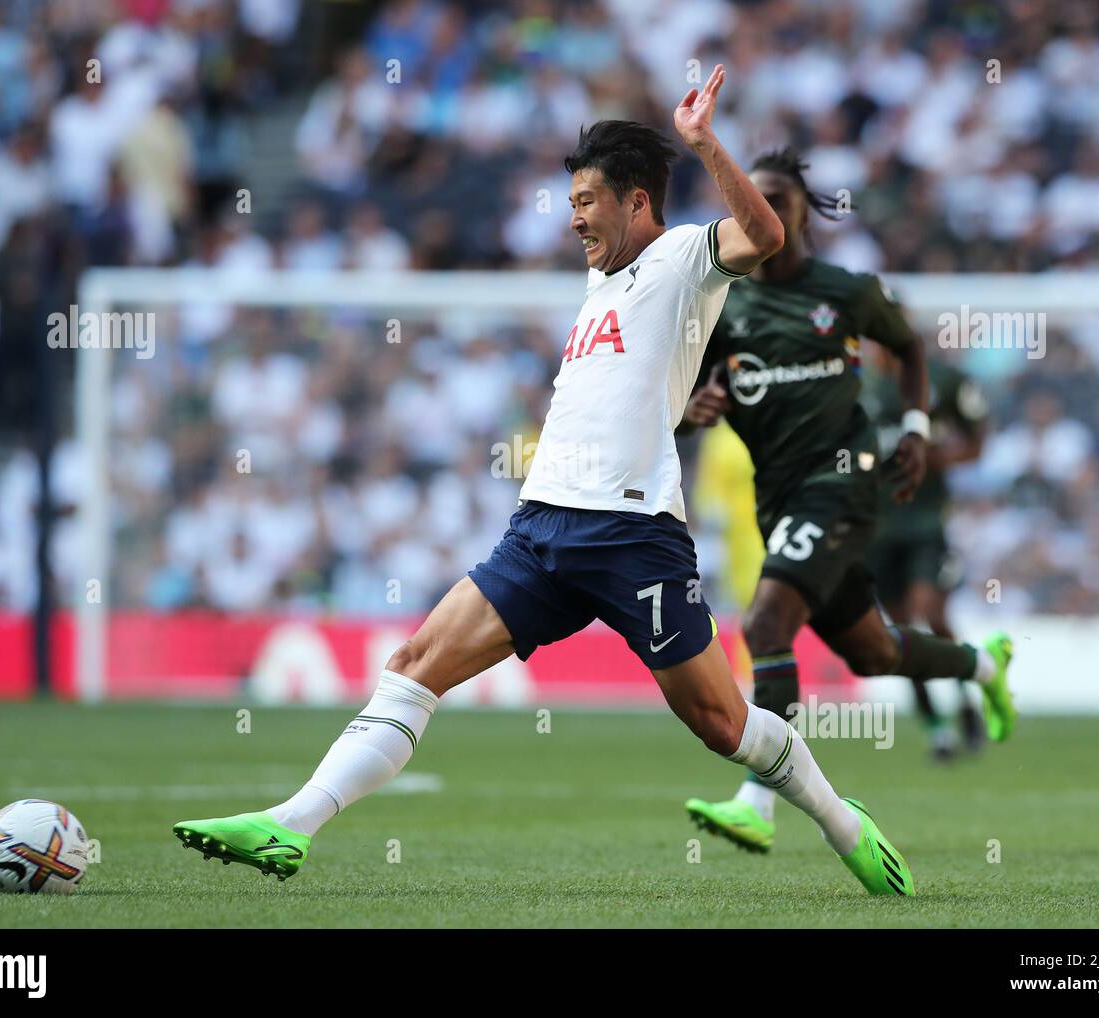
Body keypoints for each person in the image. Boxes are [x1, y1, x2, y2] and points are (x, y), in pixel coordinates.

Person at [175, 68, 916, 896]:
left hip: (634, 536)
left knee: (719, 721)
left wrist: (704, 141)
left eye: (587, 201)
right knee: (416, 661)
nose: (573, 217)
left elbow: (766, 235)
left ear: (637, 202)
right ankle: (292, 824)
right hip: (541, 530)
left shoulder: (682, 256)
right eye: (571, 201)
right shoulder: (601, 279)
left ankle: (841, 821)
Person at [679, 148, 1015, 855]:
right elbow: (683, 406)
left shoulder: (848, 291)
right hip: (781, 500)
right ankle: (984, 666)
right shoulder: (722, 309)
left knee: (766, 623)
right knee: (875, 652)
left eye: (779, 197)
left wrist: (919, 429)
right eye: (751, 198)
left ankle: (756, 802)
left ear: (804, 213)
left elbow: (911, 347)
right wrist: (695, 408)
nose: (764, 207)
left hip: (845, 481)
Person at [862, 344, 990, 759]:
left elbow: (977, 438)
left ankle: (968, 699)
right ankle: (936, 727)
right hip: (878, 530)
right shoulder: (859, 388)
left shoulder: (940, 380)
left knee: (930, 615)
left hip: (925, 524)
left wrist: (938, 458)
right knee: (899, 634)